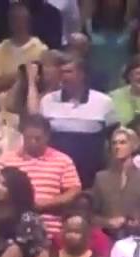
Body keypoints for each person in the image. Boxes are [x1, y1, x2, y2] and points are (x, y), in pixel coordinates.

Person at [0, 115, 82, 243]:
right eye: (28, 138)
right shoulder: (6, 160)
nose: (32, 142)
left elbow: (74, 190)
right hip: (12, 231)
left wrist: (46, 203)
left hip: (50, 232)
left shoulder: (62, 160)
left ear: (47, 137)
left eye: (37, 138)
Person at [39, 54, 116, 189]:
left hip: (91, 173)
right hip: (56, 173)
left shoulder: (103, 102)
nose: (63, 76)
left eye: (68, 72)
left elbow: (113, 138)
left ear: (82, 74)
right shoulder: (47, 101)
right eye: (61, 72)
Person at [92, 128, 140, 237]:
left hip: (137, 239)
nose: (117, 147)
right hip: (107, 237)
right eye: (114, 143)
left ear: (133, 146)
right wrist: (108, 222)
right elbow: (92, 216)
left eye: (123, 143)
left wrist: (139, 223)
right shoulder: (101, 178)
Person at [0, 3, 48, 96]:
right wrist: (24, 75)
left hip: (29, 100)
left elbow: (41, 83)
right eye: (14, 20)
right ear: (9, 22)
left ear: (28, 22)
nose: (18, 24)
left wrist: (8, 79)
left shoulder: (41, 49)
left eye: (21, 20)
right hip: (2, 103)